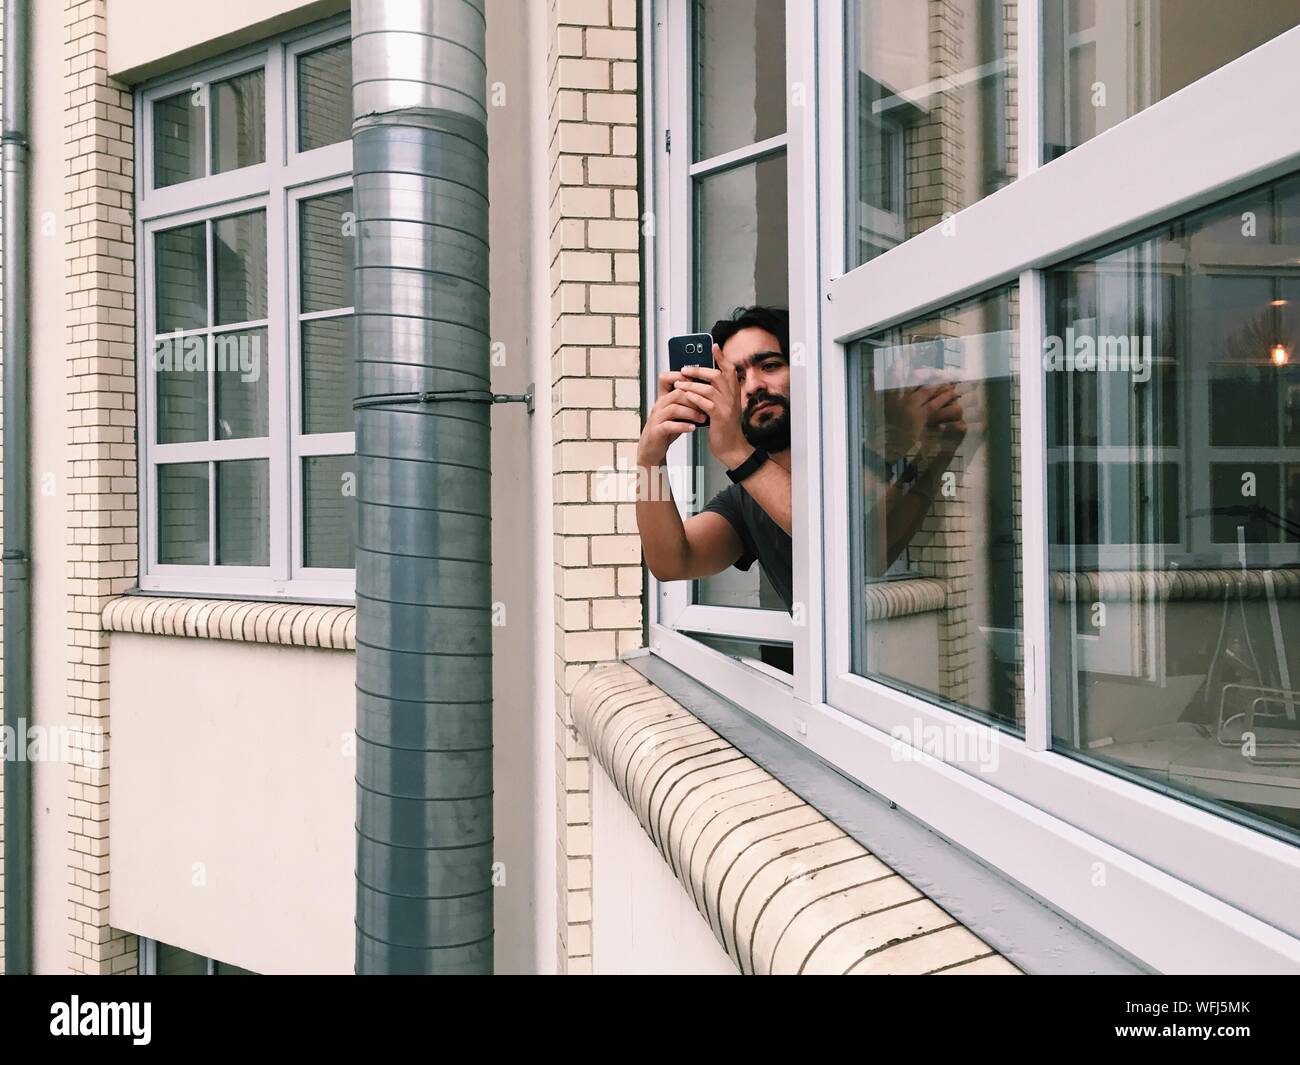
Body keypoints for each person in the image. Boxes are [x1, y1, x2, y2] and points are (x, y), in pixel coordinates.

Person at [635, 305, 970, 650]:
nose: (753, 386)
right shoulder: (746, 497)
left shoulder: (849, 454)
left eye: (770, 366)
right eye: (735, 377)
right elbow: (671, 562)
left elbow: (849, 543)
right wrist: (649, 458)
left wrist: (931, 455)